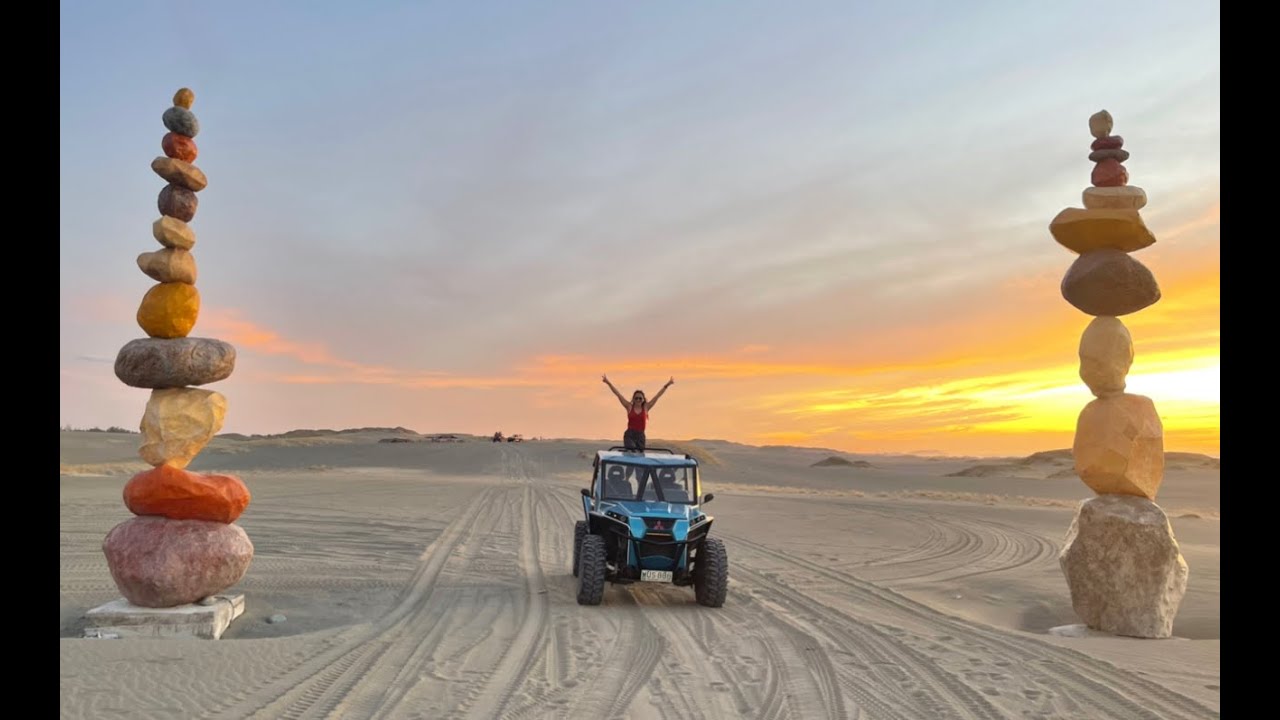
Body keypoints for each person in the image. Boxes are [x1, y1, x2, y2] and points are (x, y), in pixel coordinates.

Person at [602, 374, 674, 452]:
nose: (638, 400)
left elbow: (657, 396)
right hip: (630, 434)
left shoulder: (646, 407)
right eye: (636, 398)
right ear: (633, 399)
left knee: (639, 456)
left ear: (643, 399)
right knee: (632, 451)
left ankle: (626, 454)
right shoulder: (629, 407)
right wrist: (608, 382)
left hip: (641, 436)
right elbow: (618, 394)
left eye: (640, 398)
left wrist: (667, 385)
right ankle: (627, 453)